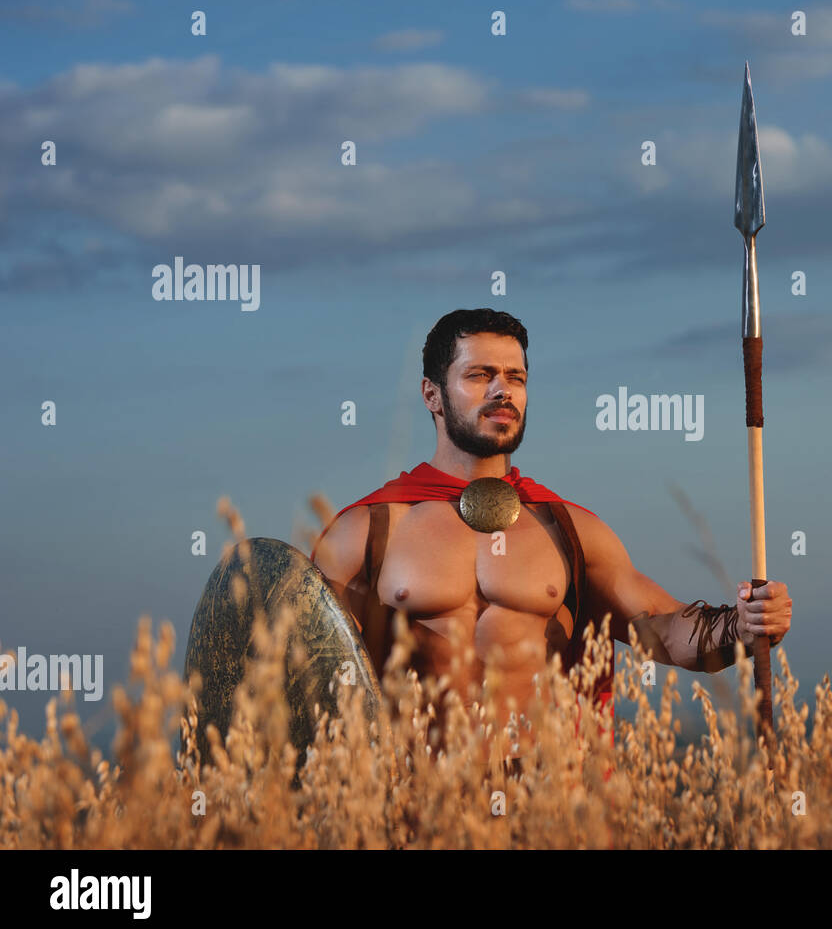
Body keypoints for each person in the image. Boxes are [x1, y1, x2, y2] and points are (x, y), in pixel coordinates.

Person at [311, 308, 792, 766]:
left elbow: (662, 630)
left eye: (515, 378)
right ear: (431, 394)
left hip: (544, 798)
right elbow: (301, 671)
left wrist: (745, 627)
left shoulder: (570, 530)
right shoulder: (368, 531)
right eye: (480, 375)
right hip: (420, 805)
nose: (503, 391)